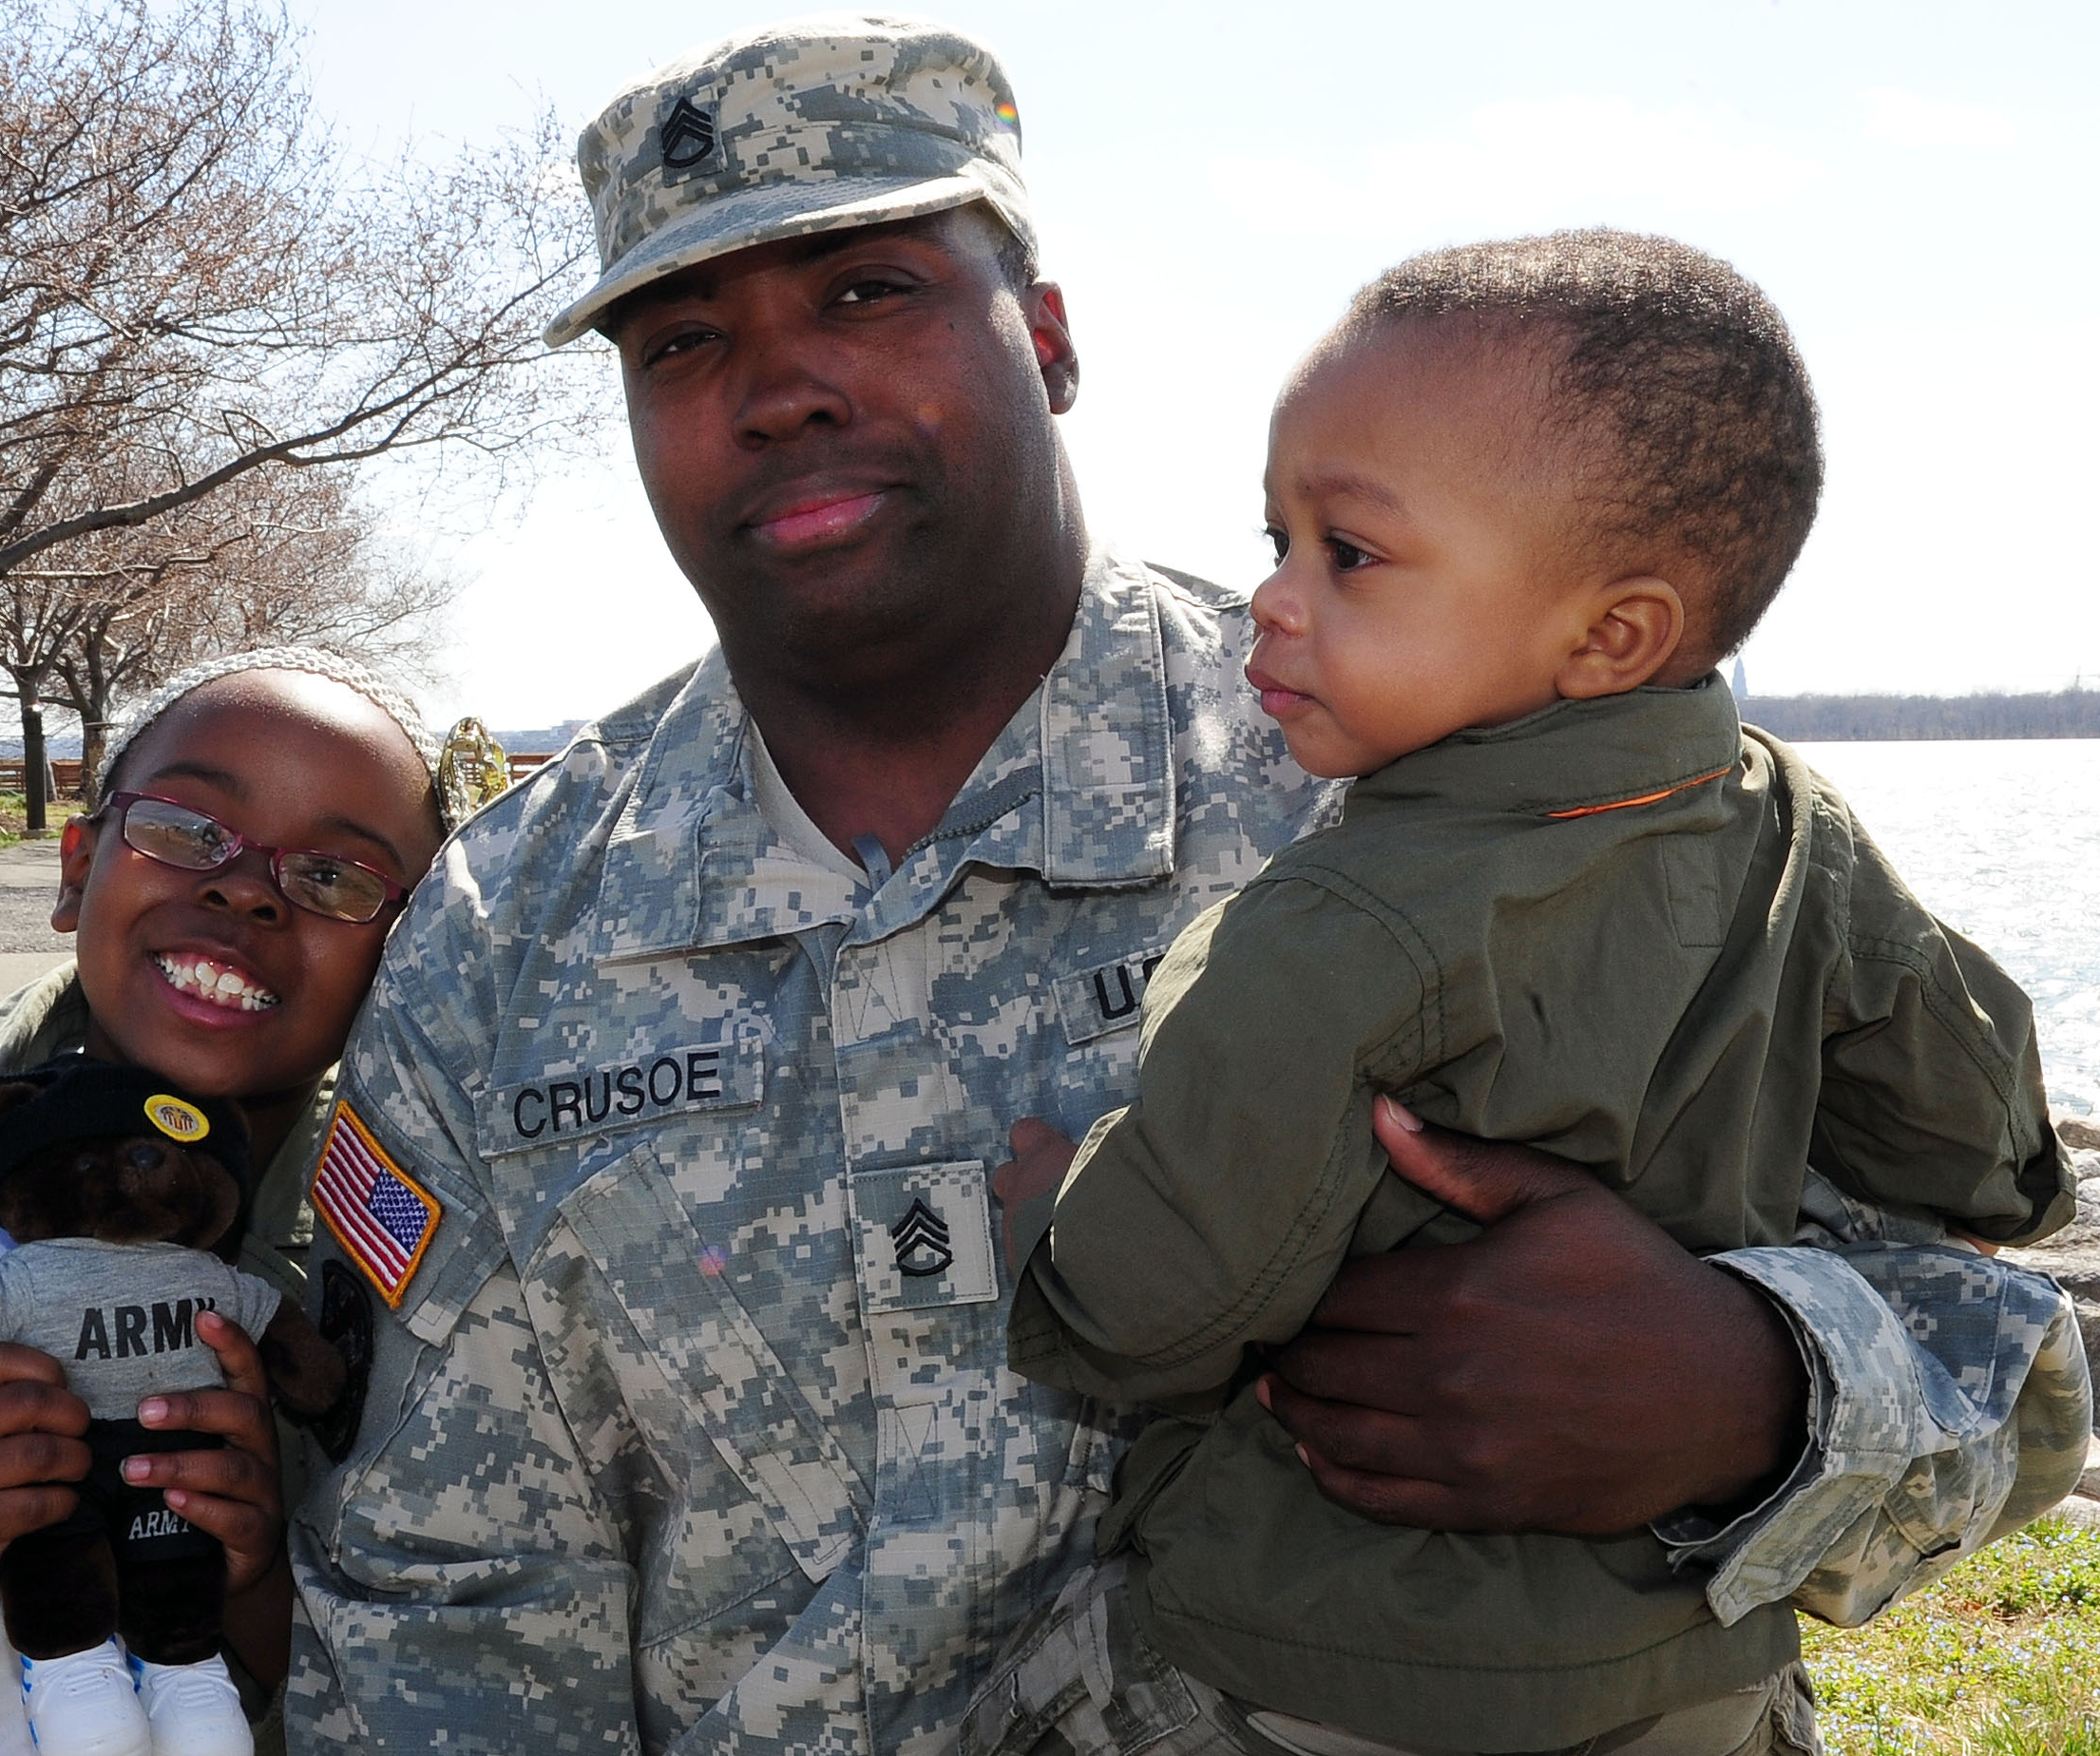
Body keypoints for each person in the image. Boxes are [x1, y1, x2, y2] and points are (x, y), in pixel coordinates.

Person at [284, 17, 2091, 1756]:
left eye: (865, 291)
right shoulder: (506, 925)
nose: (772, 388)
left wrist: (1757, 1392)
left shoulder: (1465, 773)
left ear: (1046, 338)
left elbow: (2018, 1327)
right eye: (676, 344)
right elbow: (444, 1603)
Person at [973, 233, 2071, 1756]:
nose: (1269, 602)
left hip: (1324, 1674)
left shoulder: (1332, 925)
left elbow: (1150, 1316)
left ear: (1610, 632)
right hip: (1693, 1672)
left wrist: (1050, 1213)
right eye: (1274, 539)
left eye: (1345, 554)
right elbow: (1985, 1154)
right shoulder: (1796, 829)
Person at [0, 648, 449, 1756]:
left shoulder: (444, 1261)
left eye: (337, 878)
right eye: (188, 828)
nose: (243, 888)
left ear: (412, 956)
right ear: (76, 867)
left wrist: (245, 1588)